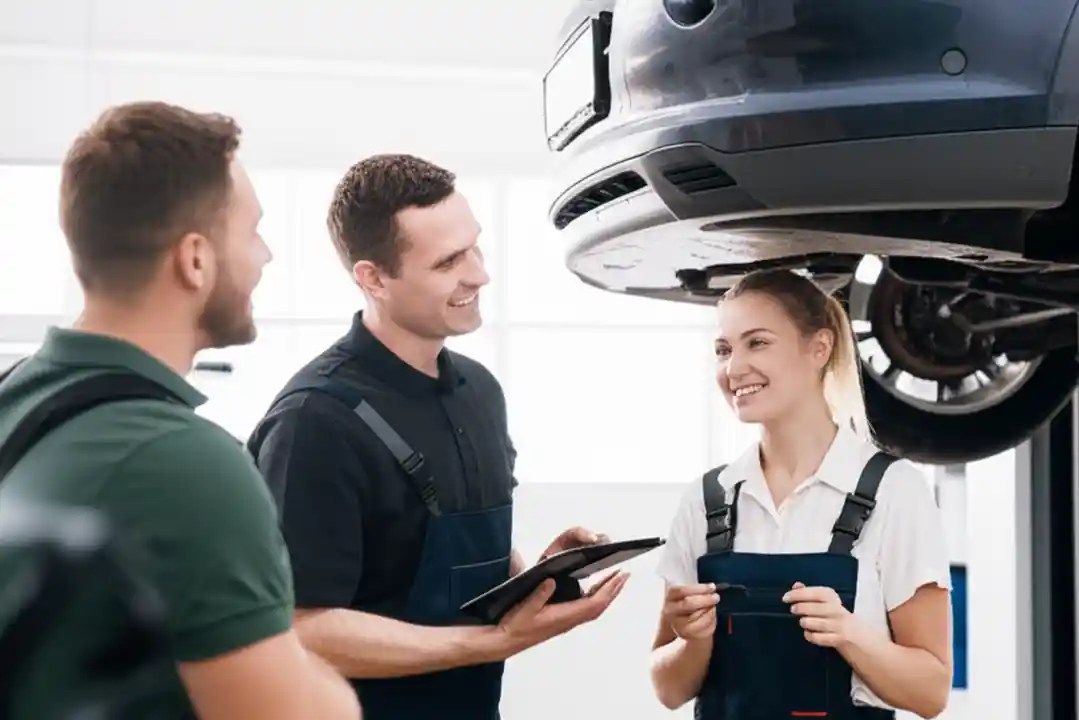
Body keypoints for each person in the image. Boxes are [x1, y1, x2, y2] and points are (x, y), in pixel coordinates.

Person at [0, 102, 360, 720]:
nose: (266, 255)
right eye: (251, 232)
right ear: (194, 259)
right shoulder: (187, 466)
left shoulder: (16, 394)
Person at [246, 154, 629, 719]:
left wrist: (538, 579)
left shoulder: (480, 392)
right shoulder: (315, 422)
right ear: (373, 278)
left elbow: (440, 566)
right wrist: (497, 642)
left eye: (475, 247)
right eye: (448, 261)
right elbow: (299, 631)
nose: (478, 274)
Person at [650, 269, 954, 719]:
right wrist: (694, 639)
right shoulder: (709, 499)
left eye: (757, 343)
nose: (733, 368)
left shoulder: (893, 491)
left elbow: (931, 693)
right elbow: (669, 690)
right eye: (723, 349)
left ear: (819, 348)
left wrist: (849, 634)